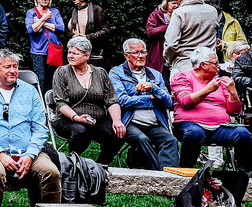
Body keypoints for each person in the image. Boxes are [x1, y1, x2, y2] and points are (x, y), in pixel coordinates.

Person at [0, 49, 61, 207]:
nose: (13, 71)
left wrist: (30, 154)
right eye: (7, 67)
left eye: (15, 66)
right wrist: (1, 154)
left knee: (51, 172)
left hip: (27, 151)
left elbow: (40, 128)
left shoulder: (30, 91)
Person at [172, 44, 252, 169]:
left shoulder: (220, 82)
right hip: (189, 124)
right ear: (203, 65)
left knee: (243, 133)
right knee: (194, 132)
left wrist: (233, 92)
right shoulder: (183, 77)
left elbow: (235, 111)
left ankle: (244, 176)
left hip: (219, 127)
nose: (218, 66)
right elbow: (186, 102)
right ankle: (185, 171)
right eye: (215, 63)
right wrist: (208, 90)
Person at [50, 36, 125, 163]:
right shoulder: (62, 72)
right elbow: (60, 102)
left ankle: (102, 165)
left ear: (86, 56)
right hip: (69, 118)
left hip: (97, 119)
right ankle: (73, 163)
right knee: (81, 131)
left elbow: (112, 100)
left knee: (118, 133)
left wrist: (117, 121)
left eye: (75, 53)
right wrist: (76, 117)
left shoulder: (100, 73)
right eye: (69, 52)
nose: (70, 56)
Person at [109, 37, 180, 170]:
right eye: (136, 52)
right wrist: (151, 98)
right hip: (130, 122)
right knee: (141, 139)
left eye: (143, 52)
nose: (141, 56)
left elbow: (169, 102)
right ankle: (158, 174)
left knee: (170, 141)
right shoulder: (117, 73)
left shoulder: (155, 75)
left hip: (154, 123)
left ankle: (170, 176)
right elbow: (122, 101)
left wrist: (153, 88)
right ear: (126, 55)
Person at [165, 0, 220, 75]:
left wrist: (169, 60)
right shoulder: (212, 11)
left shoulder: (179, 13)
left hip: (184, 67)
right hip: (209, 68)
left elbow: (171, 44)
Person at [25, 0, 66, 89]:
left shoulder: (55, 12)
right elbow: (31, 29)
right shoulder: (31, 12)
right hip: (38, 51)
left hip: (54, 49)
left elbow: (61, 28)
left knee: (54, 78)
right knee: (40, 79)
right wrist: (44, 18)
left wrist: (41, 22)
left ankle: (53, 102)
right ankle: (40, 102)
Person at [65, 0, 110, 65]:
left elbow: (105, 31)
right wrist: (72, 35)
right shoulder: (72, 11)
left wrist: (87, 37)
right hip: (74, 51)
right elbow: (67, 29)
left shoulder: (96, 10)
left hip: (92, 53)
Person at [146, 0, 177, 72]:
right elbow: (150, 32)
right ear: (166, 3)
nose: (176, 6)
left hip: (175, 57)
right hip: (158, 56)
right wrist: (167, 27)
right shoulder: (156, 15)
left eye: (178, 3)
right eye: (174, 3)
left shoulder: (179, 16)